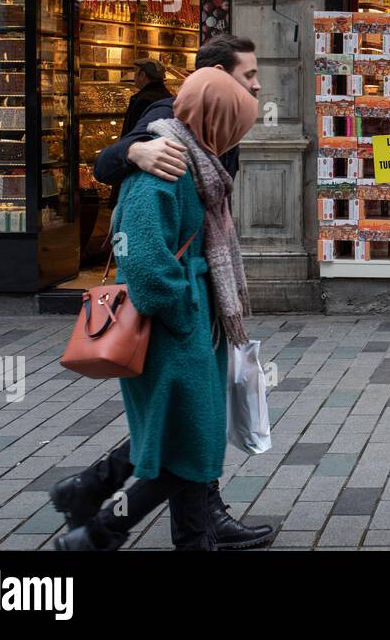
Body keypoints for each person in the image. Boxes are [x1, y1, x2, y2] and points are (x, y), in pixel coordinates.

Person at [53, 34, 272, 550]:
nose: (257, 87)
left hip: (196, 326)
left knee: (185, 439)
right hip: (178, 331)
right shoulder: (166, 164)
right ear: (217, 101)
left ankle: (172, 528)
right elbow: (147, 262)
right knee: (186, 445)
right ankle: (103, 530)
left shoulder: (202, 153)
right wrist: (187, 311)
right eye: (248, 80)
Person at [95, 34, 261, 187]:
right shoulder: (169, 115)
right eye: (248, 75)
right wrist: (133, 151)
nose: (257, 85)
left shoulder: (226, 125)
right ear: (219, 73)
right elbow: (103, 167)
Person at [122, 59, 172, 137]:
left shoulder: (143, 101)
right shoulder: (168, 96)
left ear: (142, 75)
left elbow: (135, 135)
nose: (134, 76)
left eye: (135, 72)